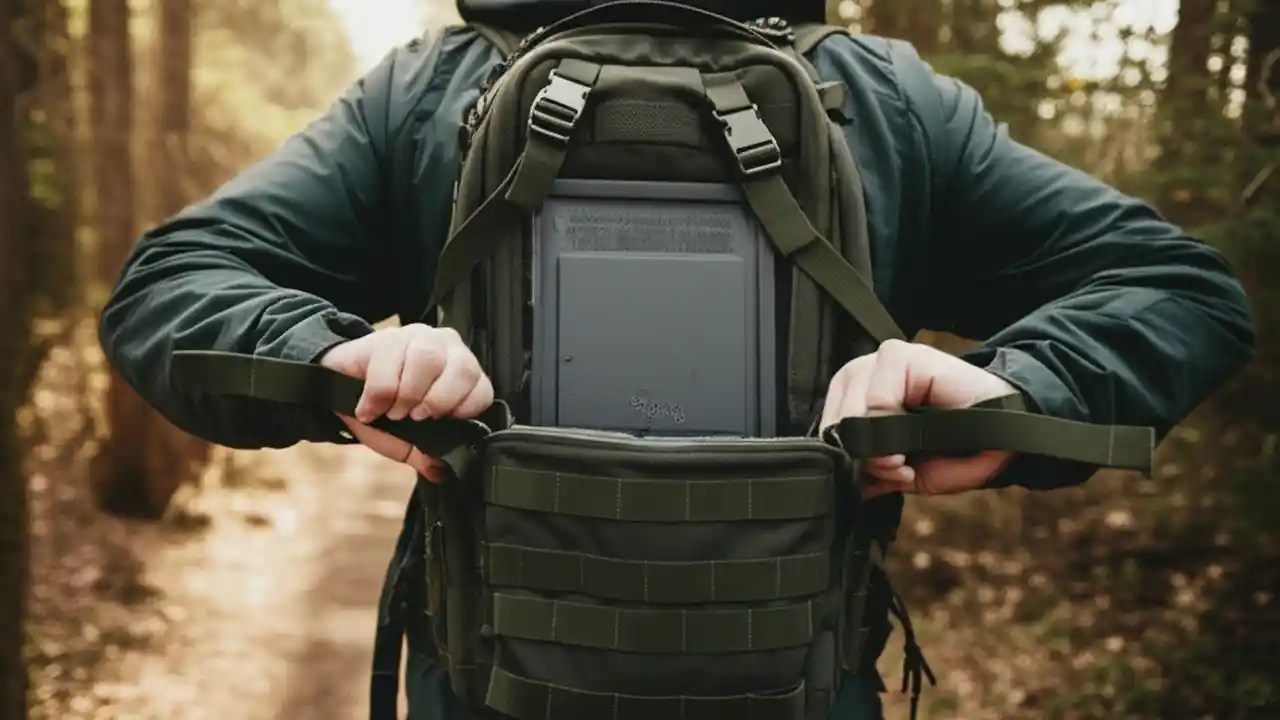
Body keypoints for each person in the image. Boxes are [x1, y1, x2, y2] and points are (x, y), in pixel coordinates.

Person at [99, 15, 1256, 720]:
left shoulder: (428, 96)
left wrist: (317, 357)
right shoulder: (887, 105)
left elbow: (168, 284)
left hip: (489, 688)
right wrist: (1023, 394)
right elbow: (1179, 291)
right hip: (799, 690)